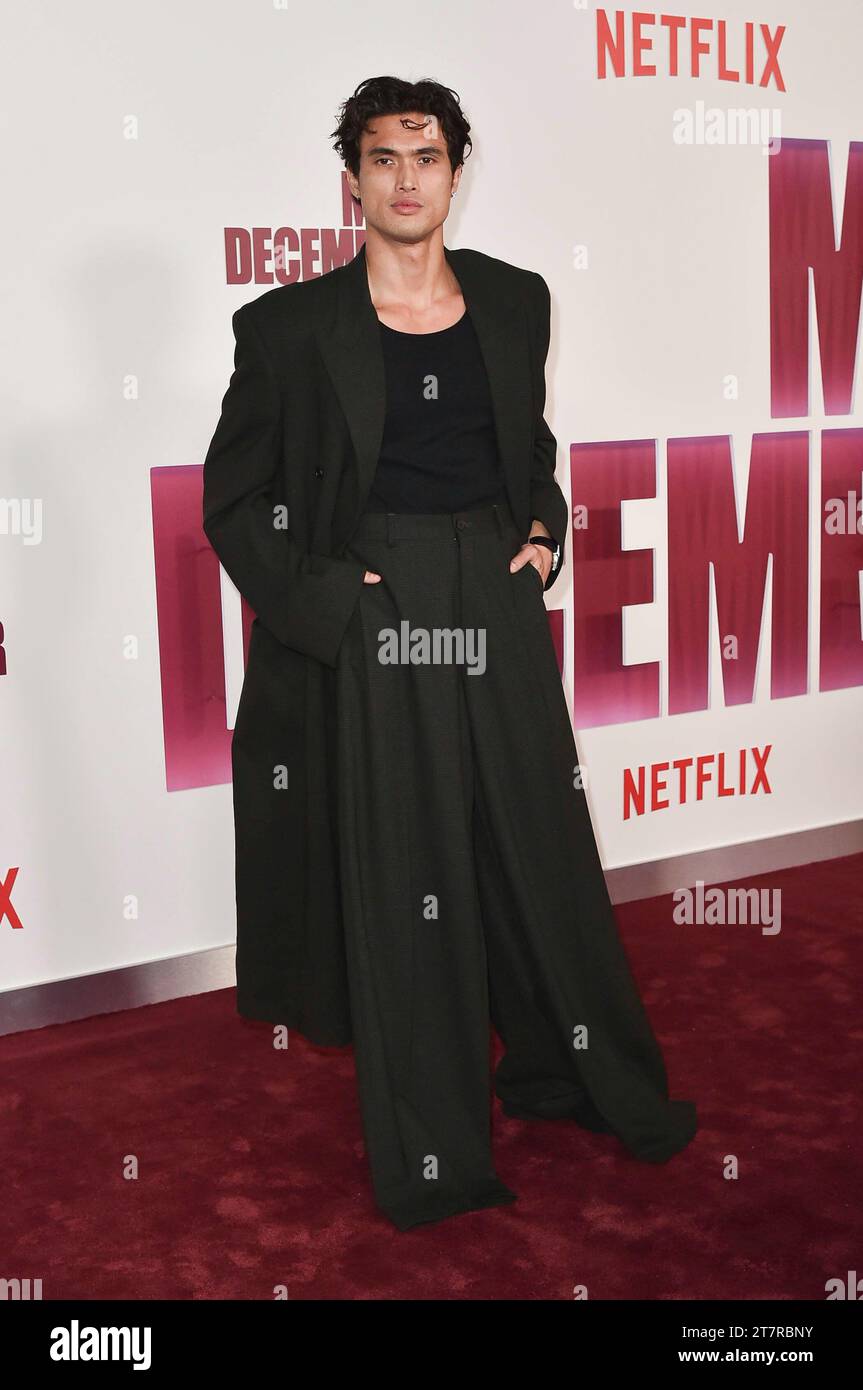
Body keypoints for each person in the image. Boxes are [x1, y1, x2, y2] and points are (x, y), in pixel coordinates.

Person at [203, 75, 697, 1232]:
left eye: (425, 157)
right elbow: (237, 503)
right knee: (408, 871)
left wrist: (539, 531)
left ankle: (569, 1072)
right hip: (379, 600)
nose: (406, 179)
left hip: (495, 589)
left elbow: (525, 441)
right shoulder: (286, 329)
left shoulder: (515, 302)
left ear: (456, 171)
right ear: (353, 182)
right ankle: (435, 1154)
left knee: (540, 846)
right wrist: (332, 598)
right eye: (382, 160)